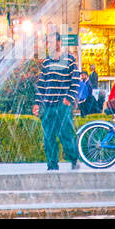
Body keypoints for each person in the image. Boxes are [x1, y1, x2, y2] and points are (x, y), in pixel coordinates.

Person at [32, 37, 80, 171]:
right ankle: (52, 164)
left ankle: (73, 158)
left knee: (66, 134)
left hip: (62, 104)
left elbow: (75, 81)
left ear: (60, 43)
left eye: (54, 42)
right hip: (48, 105)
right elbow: (42, 84)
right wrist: (37, 103)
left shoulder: (70, 60)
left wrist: (69, 98)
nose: (52, 44)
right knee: (48, 136)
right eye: (49, 42)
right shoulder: (46, 62)